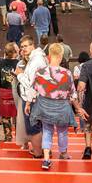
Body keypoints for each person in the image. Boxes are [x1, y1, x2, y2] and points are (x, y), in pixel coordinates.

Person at [28, 42, 85, 171]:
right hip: (61, 108)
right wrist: (78, 108)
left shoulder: (40, 72)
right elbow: (73, 94)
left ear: (49, 56)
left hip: (44, 107)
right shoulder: (66, 73)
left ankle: (46, 158)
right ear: (60, 56)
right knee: (62, 132)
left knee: (47, 131)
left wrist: (28, 104)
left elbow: (33, 90)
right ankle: (63, 153)